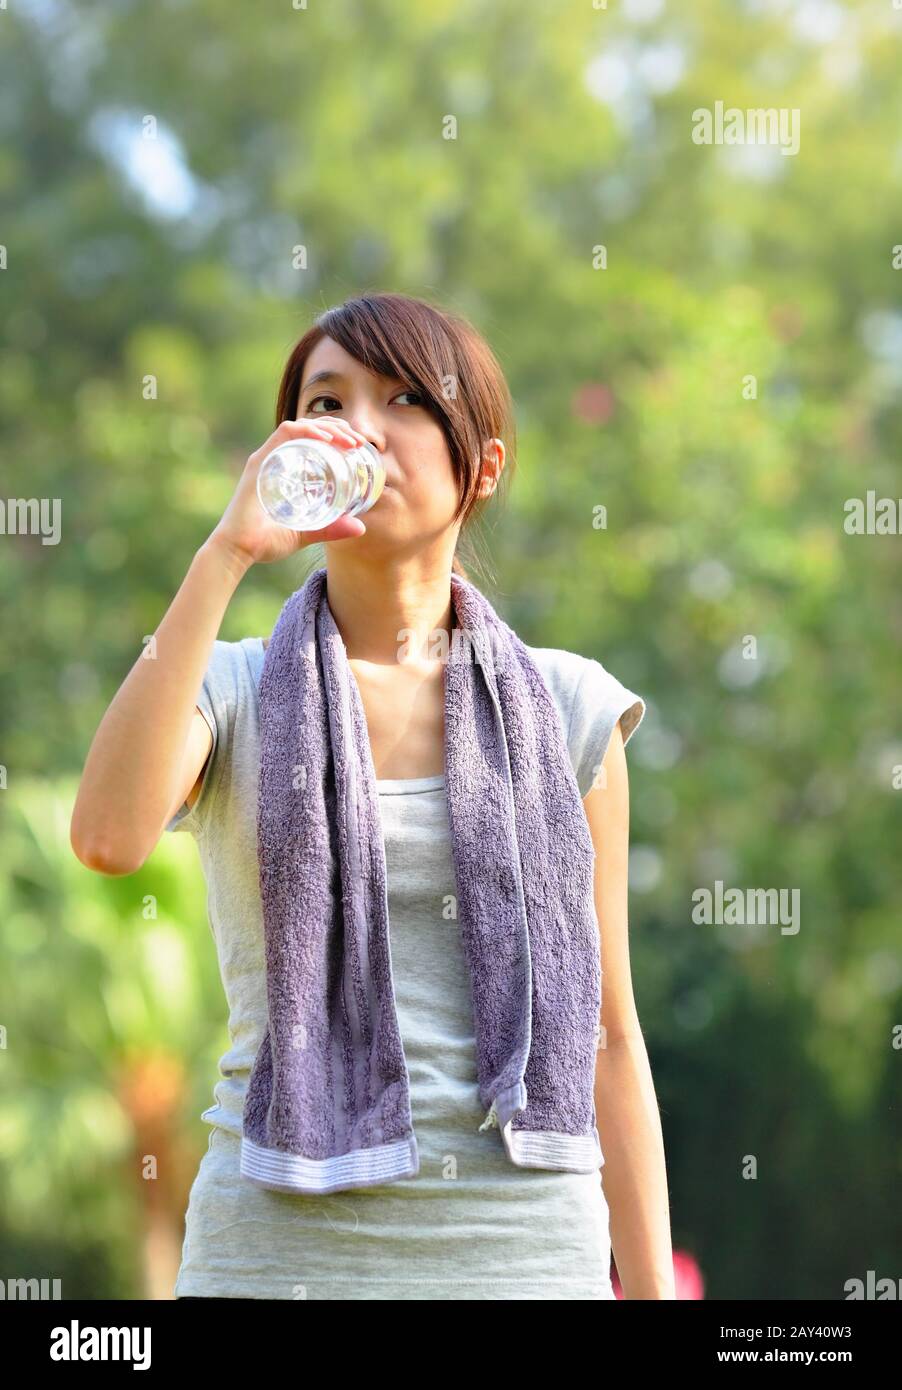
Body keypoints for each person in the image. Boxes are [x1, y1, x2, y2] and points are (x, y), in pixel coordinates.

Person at [70, 291, 675, 1300]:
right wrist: (222, 555)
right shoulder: (232, 688)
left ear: (478, 466)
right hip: (275, 1251)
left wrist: (654, 1294)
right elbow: (106, 835)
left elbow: (611, 1031)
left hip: (519, 1252)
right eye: (326, 397)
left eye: (402, 396)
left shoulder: (568, 708)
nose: (357, 423)